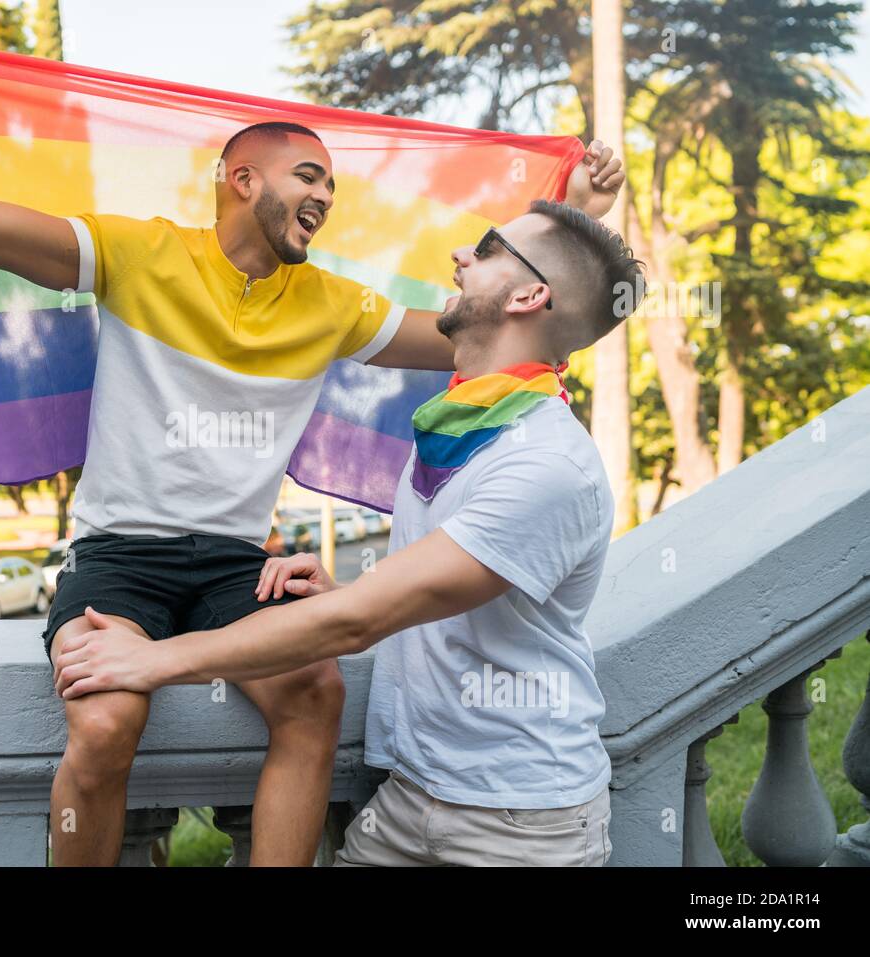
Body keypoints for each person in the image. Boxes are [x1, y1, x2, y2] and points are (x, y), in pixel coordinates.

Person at [0, 1, 625, 865]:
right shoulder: (137, 251)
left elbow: (505, 327)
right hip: (119, 555)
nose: (325, 196)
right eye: (307, 177)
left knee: (314, 695)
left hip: (239, 562)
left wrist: (580, 211)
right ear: (243, 180)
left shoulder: (334, 303)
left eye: (332, 187)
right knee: (106, 715)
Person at [54, 200, 646, 866]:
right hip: (406, 801)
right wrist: (341, 589)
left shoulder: (545, 463)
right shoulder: (464, 420)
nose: (460, 257)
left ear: (531, 293)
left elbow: (358, 624)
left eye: (485, 249)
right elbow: (421, 595)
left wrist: (159, 658)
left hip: (519, 826)